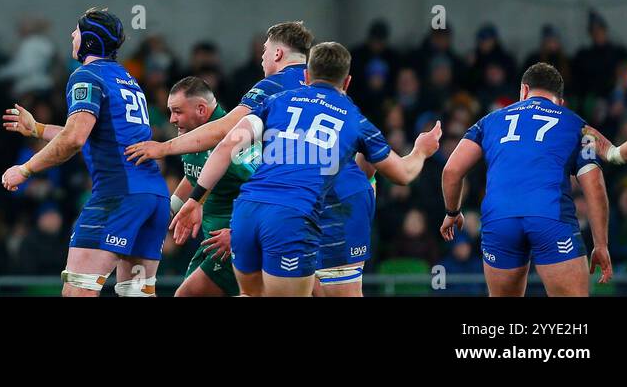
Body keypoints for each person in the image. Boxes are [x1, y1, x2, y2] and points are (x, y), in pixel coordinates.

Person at [171, 42, 441, 297]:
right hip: (305, 216)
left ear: (307, 76)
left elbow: (228, 143)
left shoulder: (276, 101)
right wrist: (421, 150)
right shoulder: (354, 118)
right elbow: (402, 174)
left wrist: (195, 199)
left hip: (248, 213)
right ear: (347, 82)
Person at [2, 8, 169, 298]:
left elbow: (74, 139)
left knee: (77, 292)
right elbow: (92, 134)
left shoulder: (86, 76)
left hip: (117, 196)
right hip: (153, 196)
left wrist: (25, 169)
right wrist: (38, 129)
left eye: (77, 31)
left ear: (89, 40)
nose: (72, 36)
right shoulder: (127, 79)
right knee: (136, 294)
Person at [441, 62, 611, 296]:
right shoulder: (576, 125)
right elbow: (594, 186)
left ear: (523, 90)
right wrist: (601, 244)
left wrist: (452, 212)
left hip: (500, 219)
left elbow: (451, 171)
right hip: (550, 218)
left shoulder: (489, 121)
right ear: (560, 102)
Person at [125, 21, 313, 166]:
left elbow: (227, 129)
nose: (263, 56)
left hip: (285, 190)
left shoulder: (273, 84)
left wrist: (164, 147)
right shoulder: (324, 84)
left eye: (265, 50)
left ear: (278, 54)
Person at [159, 75, 255, 297]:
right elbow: (194, 176)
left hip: (234, 243)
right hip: (213, 243)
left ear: (201, 110)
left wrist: (238, 233)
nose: (172, 119)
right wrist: (172, 209)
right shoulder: (196, 137)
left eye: (177, 111)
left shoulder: (234, 141)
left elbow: (266, 190)